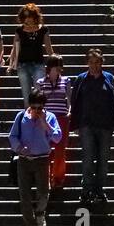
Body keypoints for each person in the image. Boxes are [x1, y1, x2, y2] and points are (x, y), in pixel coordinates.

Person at [69, 48, 114, 206]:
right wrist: (73, 123)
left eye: (97, 62)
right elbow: (74, 102)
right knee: (88, 157)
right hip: (86, 124)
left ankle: (99, 189)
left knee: (103, 159)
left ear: (102, 62)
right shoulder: (81, 79)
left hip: (106, 125)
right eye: (91, 62)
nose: (94, 65)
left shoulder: (109, 78)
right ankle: (87, 189)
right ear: (87, 63)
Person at [9, 87, 62, 226]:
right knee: (24, 195)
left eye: (40, 107)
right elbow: (12, 136)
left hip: (42, 159)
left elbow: (58, 138)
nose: (37, 110)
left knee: (44, 191)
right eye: (34, 107)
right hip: (24, 160)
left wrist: (45, 124)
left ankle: (40, 213)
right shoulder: (21, 117)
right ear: (29, 105)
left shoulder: (50, 117)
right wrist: (19, 148)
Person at [8, 3, 54, 108]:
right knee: (26, 96)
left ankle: (39, 118)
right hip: (22, 65)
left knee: (38, 93)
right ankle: (28, 121)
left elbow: (48, 48)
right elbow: (14, 48)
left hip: (38, 64)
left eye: (30, 16)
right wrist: (11, 65)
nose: (27, 19)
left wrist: (55, 63)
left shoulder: (43, 29)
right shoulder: (19, 30)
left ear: (35, 16)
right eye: (25, 16)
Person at [38, 54, 71, 195]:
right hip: (46, 118)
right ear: (50, 67)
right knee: (45, 149)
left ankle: (58, 178)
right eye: (56, 65)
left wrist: (70, 111)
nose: (58, 69)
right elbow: (38, 100)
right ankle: (46, 178)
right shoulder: (40, 82)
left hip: (62, 118)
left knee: (60, 150)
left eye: (60, 66)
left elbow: (69, 98)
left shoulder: (66, 81)